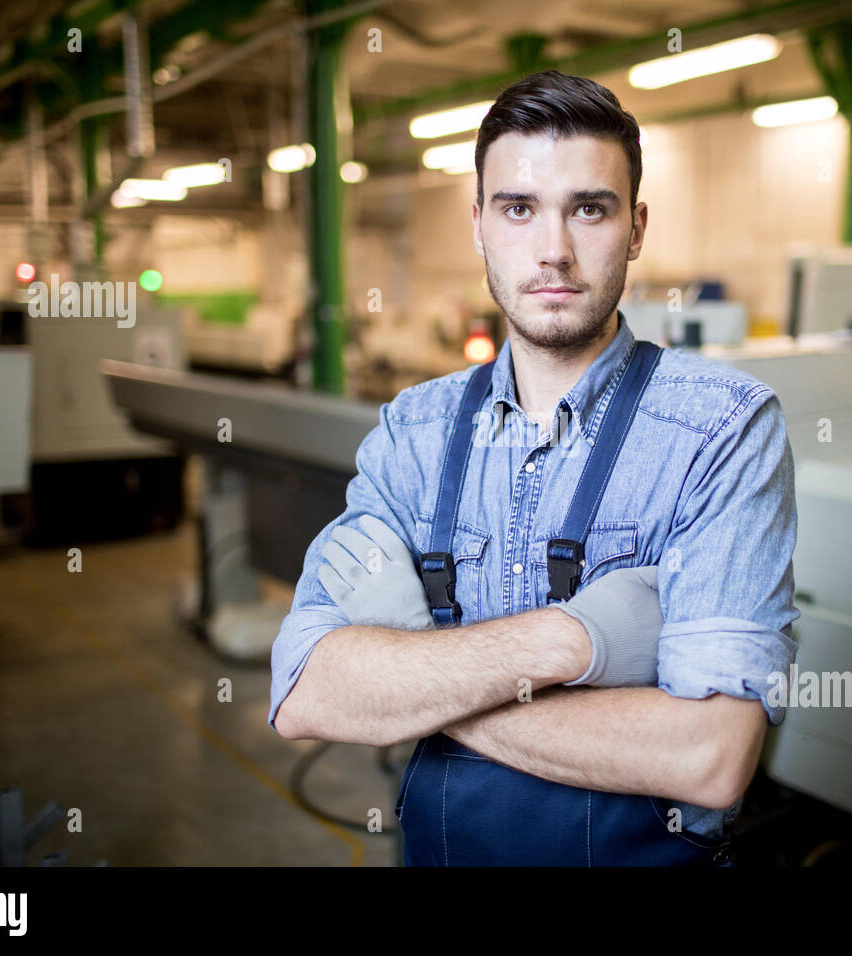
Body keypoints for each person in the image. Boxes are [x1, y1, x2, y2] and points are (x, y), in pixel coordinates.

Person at [269, 70, 799, 866]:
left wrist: (417, 672)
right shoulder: (412, 431)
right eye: (519, 208)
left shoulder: (721, 429)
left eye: (589, 208)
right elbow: (306, 692)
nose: (554, 250)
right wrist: (572, 640)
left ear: (636, 226)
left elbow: (711, 758)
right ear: (479, 224)